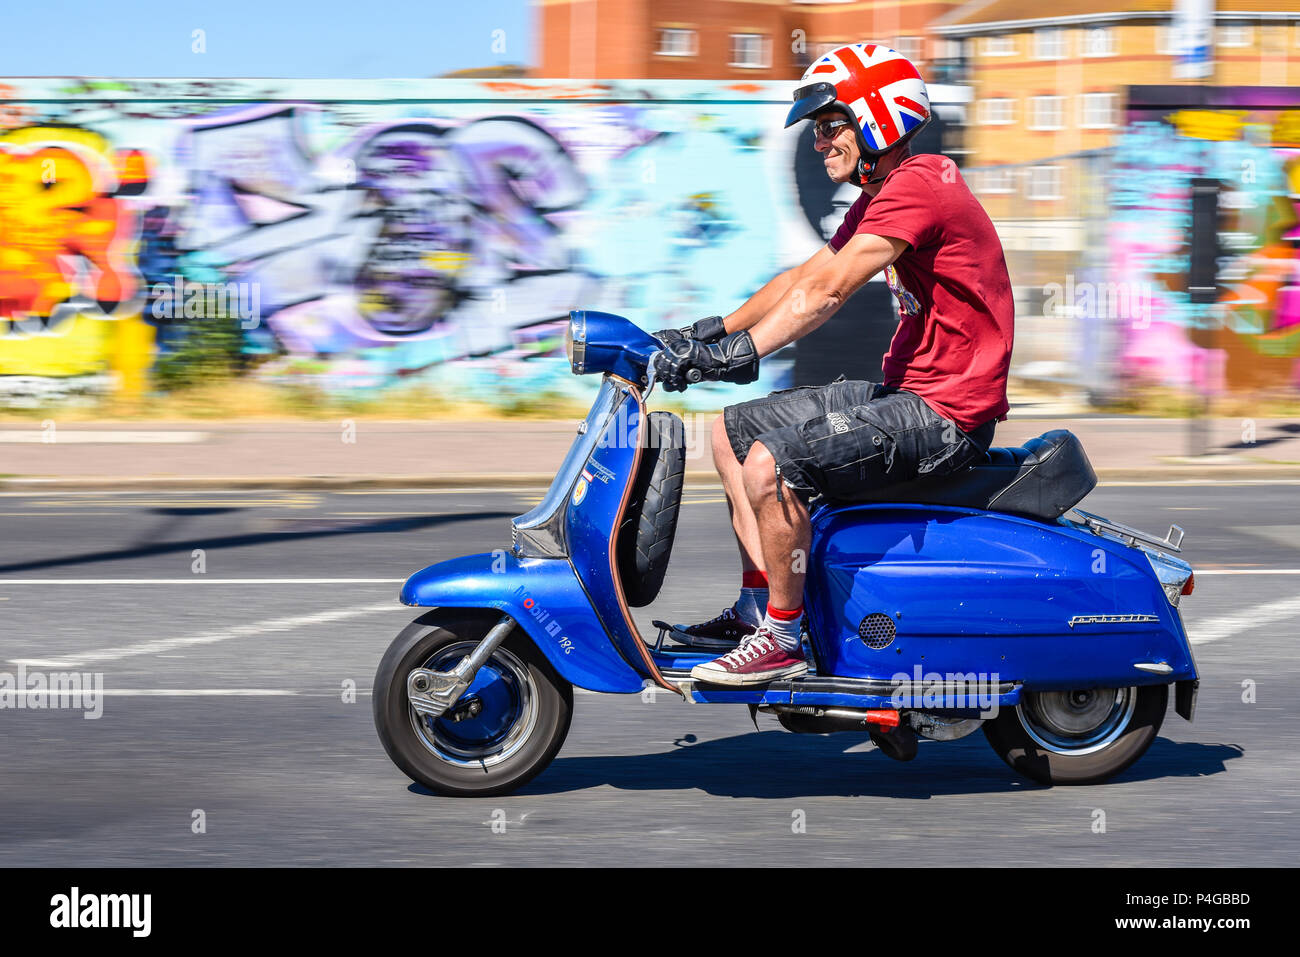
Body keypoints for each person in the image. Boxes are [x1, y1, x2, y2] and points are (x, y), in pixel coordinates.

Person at [651, 43, 1015, 688]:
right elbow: (805, 274)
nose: (820, 143)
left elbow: (828, 293)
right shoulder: (888, 193)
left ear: (876, 115)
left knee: (773, 462)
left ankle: (784, 639)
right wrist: (707, 332)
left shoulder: (919, 188)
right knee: (730, 432)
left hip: (946, 412)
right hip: (907, 393)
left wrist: (743, 353)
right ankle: (759, 607)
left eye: (829, 125)